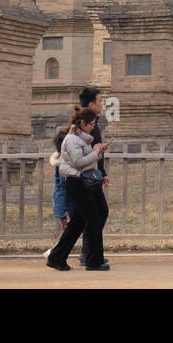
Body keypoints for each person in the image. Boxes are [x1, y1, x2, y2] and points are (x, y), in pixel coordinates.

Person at [46, 108, 109, 271]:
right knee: (93, 220)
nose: (93, 127)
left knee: (78, 223)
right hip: (77, 184)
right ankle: (94, 261)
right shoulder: (72, 140)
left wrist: (98, 152)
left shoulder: (81, 139)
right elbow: (78, 162)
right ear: (83, 123)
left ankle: (56, 257)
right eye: (91, 124)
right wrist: (95, 153)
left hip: (83, 183)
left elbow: (87, 160)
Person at [74, 87, 110, 266]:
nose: (102, 104)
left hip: (91, 176)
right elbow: (89, 155)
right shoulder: (86, 127)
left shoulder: (90, 125)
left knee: (91, 216)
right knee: (98, 214)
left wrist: (102, 173)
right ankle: (89, 254)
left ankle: (87, 252)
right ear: (91, 104)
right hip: (87, 178)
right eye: (100, 101)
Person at [43, 125, 70, 259]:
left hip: (62, 197)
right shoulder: (63, 163)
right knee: (67, 228)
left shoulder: (61, 160)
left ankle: (55, 251)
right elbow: (64, 184)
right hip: (63, 198)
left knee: (67, 228)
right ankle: (54, 252)